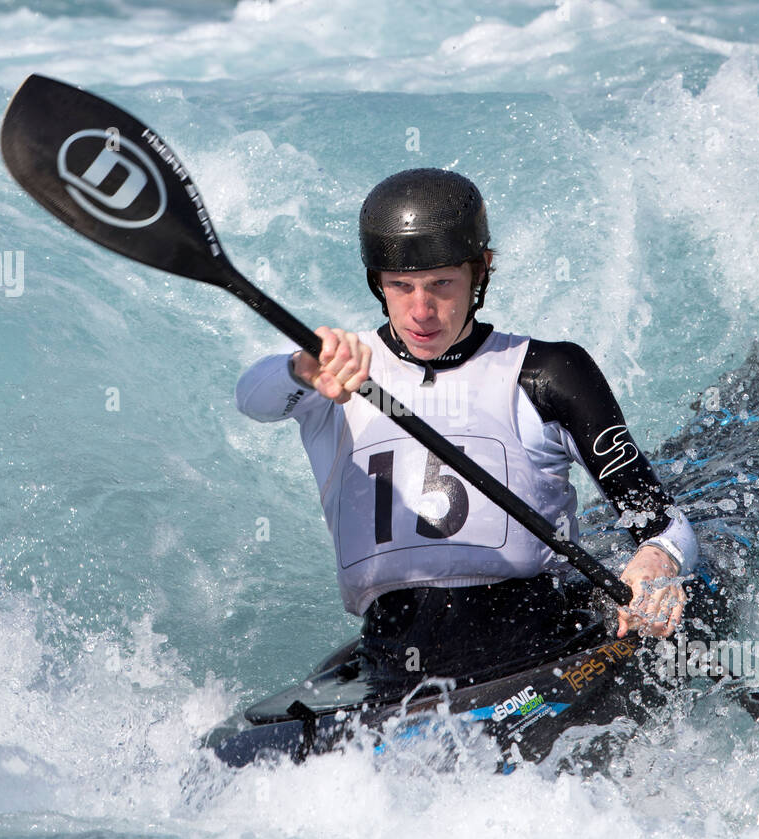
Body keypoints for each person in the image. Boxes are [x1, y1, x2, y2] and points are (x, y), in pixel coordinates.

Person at [235, 168, 696, 685]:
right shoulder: (337, 375)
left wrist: (658, 560)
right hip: (390, 663)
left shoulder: (547, 373)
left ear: (481, 272)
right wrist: (301, 368)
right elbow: (252, 399)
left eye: (441, 284)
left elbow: (663, 523)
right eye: (400, 286)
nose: (421, 311)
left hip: (537, 648)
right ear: (377, 283)